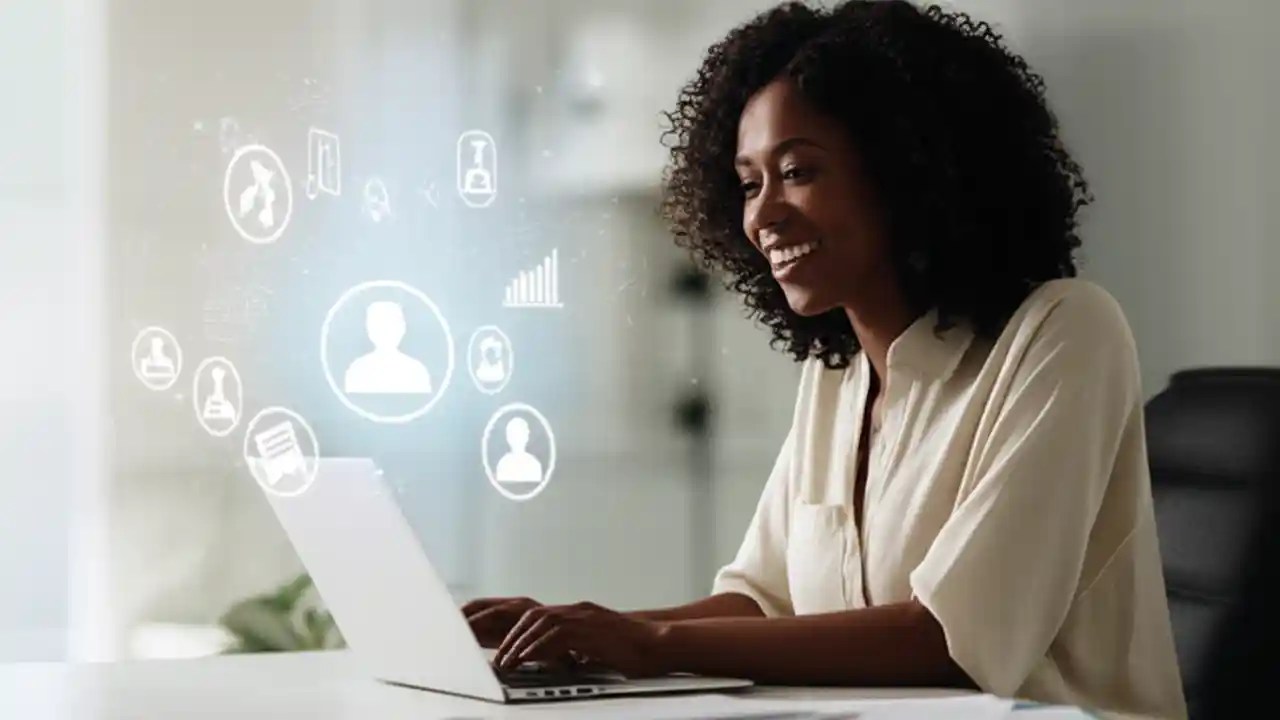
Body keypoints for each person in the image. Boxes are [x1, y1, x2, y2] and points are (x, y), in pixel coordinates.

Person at [463, 2, 1186, 718]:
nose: (762, 215)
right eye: (750, 184)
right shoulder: (838, 377)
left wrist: (649, 643)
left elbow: (954, 639)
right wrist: (573, 636)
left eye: (798, 171)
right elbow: (762, 602)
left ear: (905, 169)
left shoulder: (1065, 332)